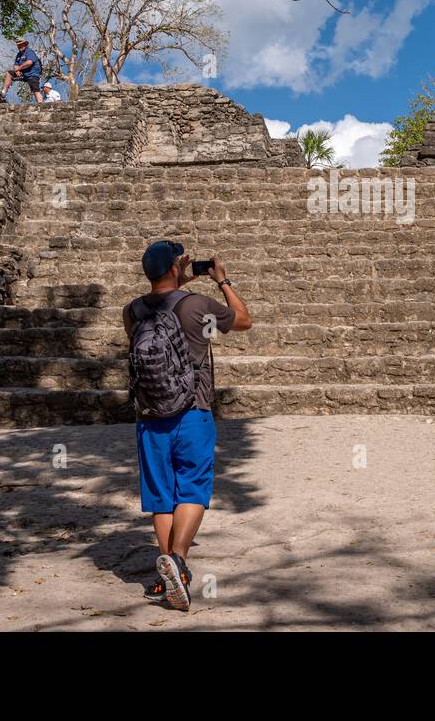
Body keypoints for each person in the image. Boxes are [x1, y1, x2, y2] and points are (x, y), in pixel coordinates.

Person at [123, 240, 252, 611]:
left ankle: (169, 580)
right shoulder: (197, 305)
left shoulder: (131, 311)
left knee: (161, 497)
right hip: (192, 410)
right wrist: (222, 282)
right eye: (182, 261)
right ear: (174, 269)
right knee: (193, 489)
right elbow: (243, 320)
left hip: (149, 415)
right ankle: (177, 562)